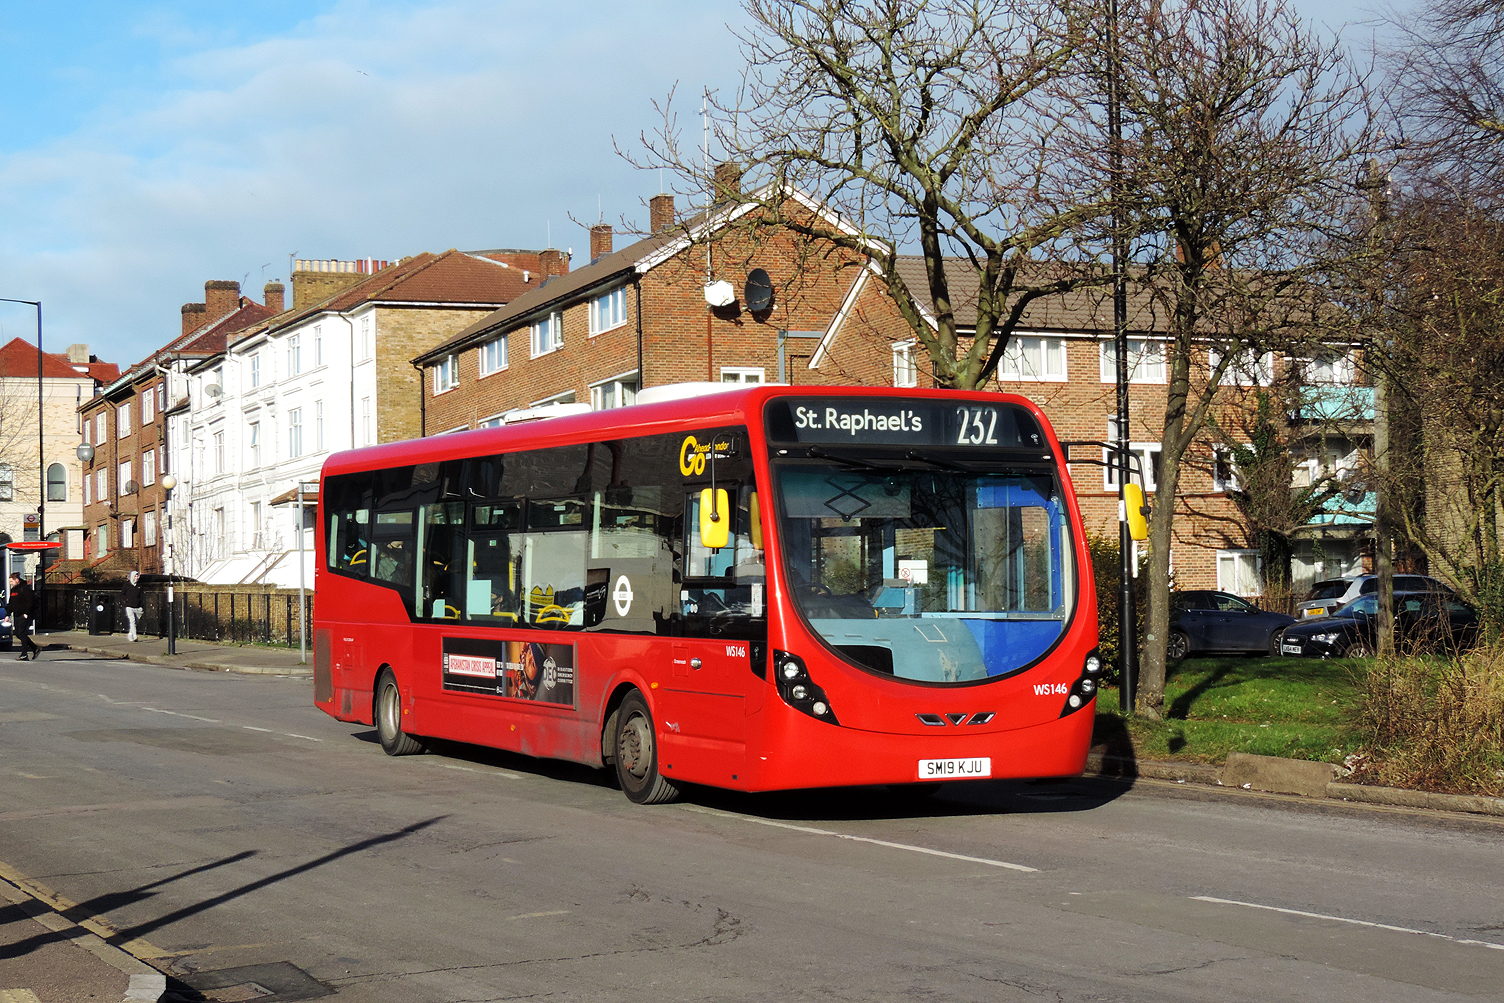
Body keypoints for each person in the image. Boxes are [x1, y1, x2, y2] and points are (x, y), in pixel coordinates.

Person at [9, 572, 37, 661]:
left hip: (25, 614)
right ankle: (34, 647)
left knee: (22, 633)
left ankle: (24, 654)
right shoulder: (13, 590)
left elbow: (30, 601)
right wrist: (7, 614)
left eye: (11, 581)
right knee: (18, 633)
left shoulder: (25, 588)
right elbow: (11, 603)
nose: (10, 583)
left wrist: (26, 613)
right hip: (17, 614)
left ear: (17, 580)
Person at [122, 571, 146, 642]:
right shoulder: (127, 585)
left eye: (137, 576)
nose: (136, 578)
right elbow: (123, 593)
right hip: (129, 606)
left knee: (135, 622)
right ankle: (135, 636)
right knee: (132, 621)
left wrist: (141, 605)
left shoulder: (140, 586)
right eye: (135, 576)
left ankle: (130, 633)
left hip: (137, 607)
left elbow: (142, 596)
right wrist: (126, 600)